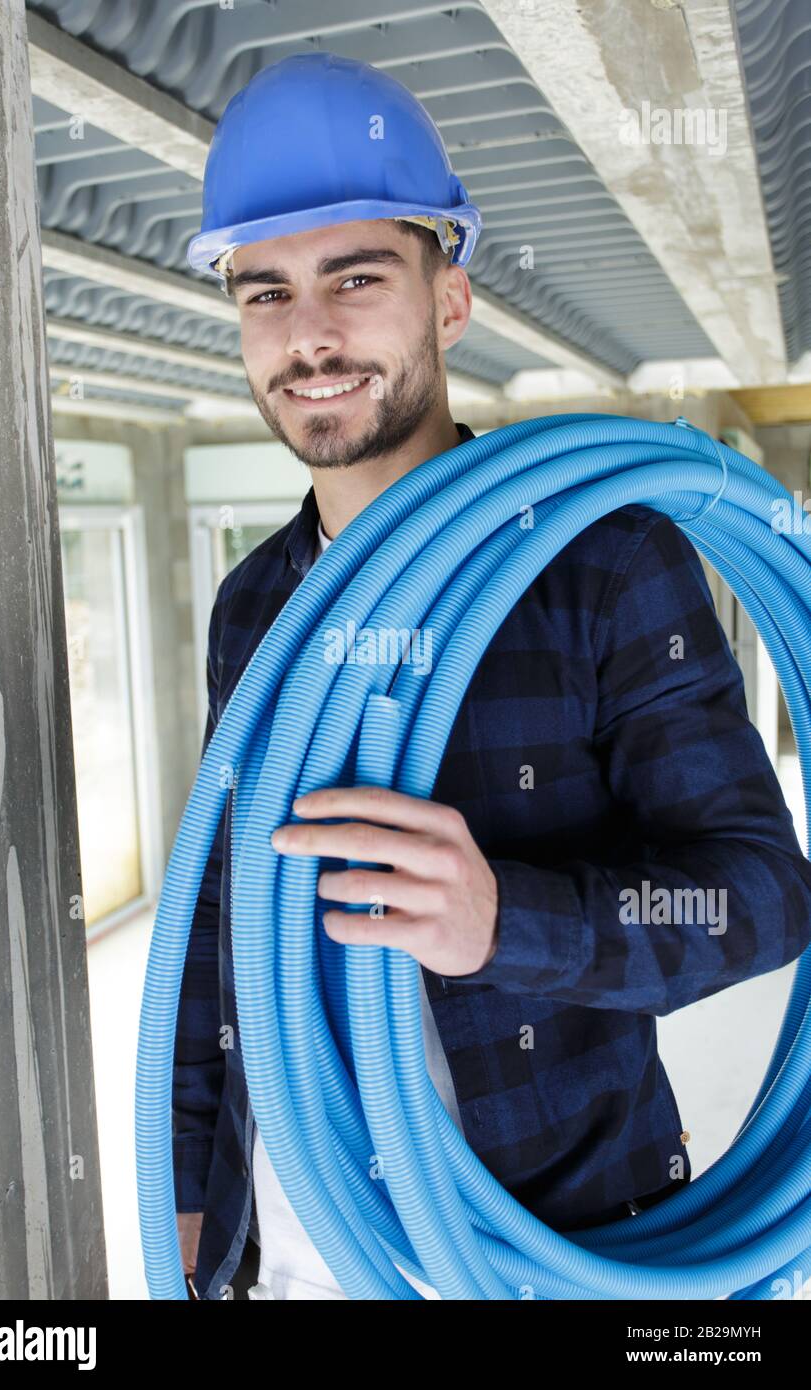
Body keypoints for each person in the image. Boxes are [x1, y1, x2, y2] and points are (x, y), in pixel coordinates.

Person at [172, 52, 811, 1301]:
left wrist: (502, 922)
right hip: (303, 1252)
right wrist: (197, 1209)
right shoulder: (254, 605)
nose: (309, 336)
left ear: (447, 301)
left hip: (544, 1243)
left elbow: (757, 897)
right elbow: (215, 938)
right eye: (266, 294)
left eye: (355, 279)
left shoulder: (600, 561)